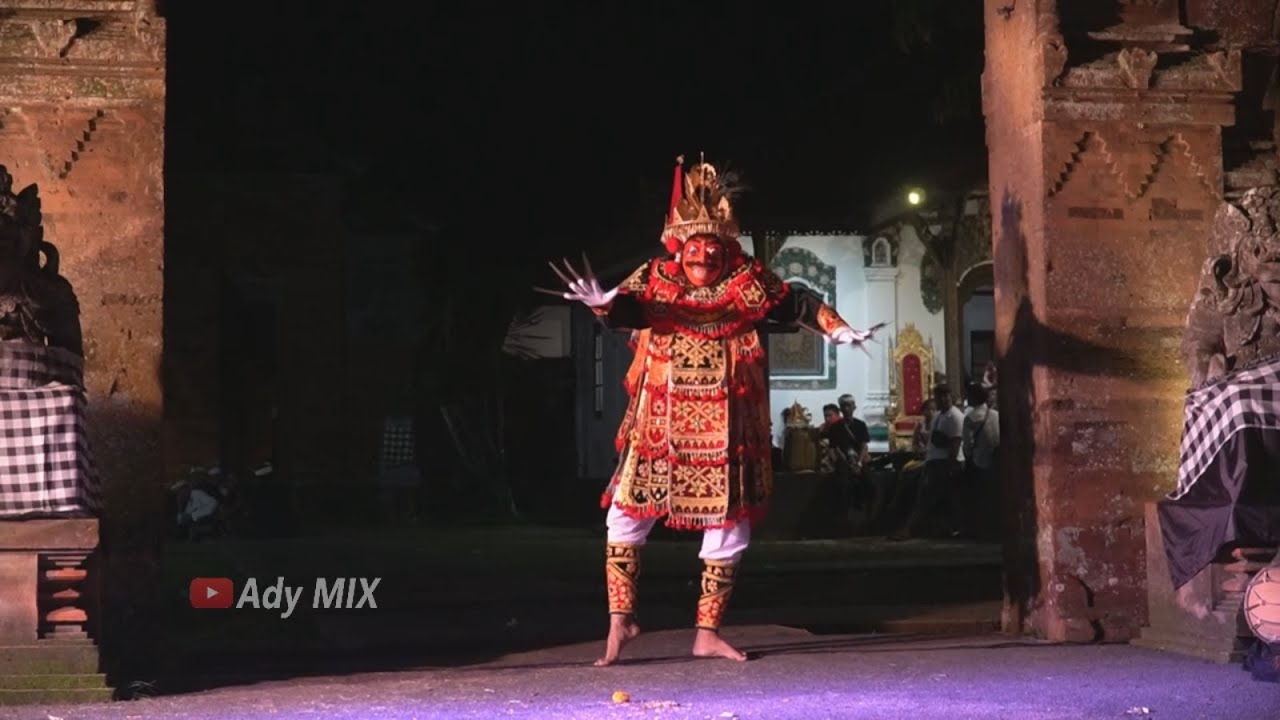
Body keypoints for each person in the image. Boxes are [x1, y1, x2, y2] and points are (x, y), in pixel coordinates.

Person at [545, 156, 882, 666]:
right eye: (694, 248)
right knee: (625, 516)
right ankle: (620, 621)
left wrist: (840, 330)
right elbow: (626, 306)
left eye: (712, 248)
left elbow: (798, 303)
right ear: (679, 248)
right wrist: (601, 305)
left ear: (725, 248)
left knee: (729, 526)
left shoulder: (747, 280)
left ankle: (707, 632)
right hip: (660, 423)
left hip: (727, 428)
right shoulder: (657, 277)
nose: (702, 256)